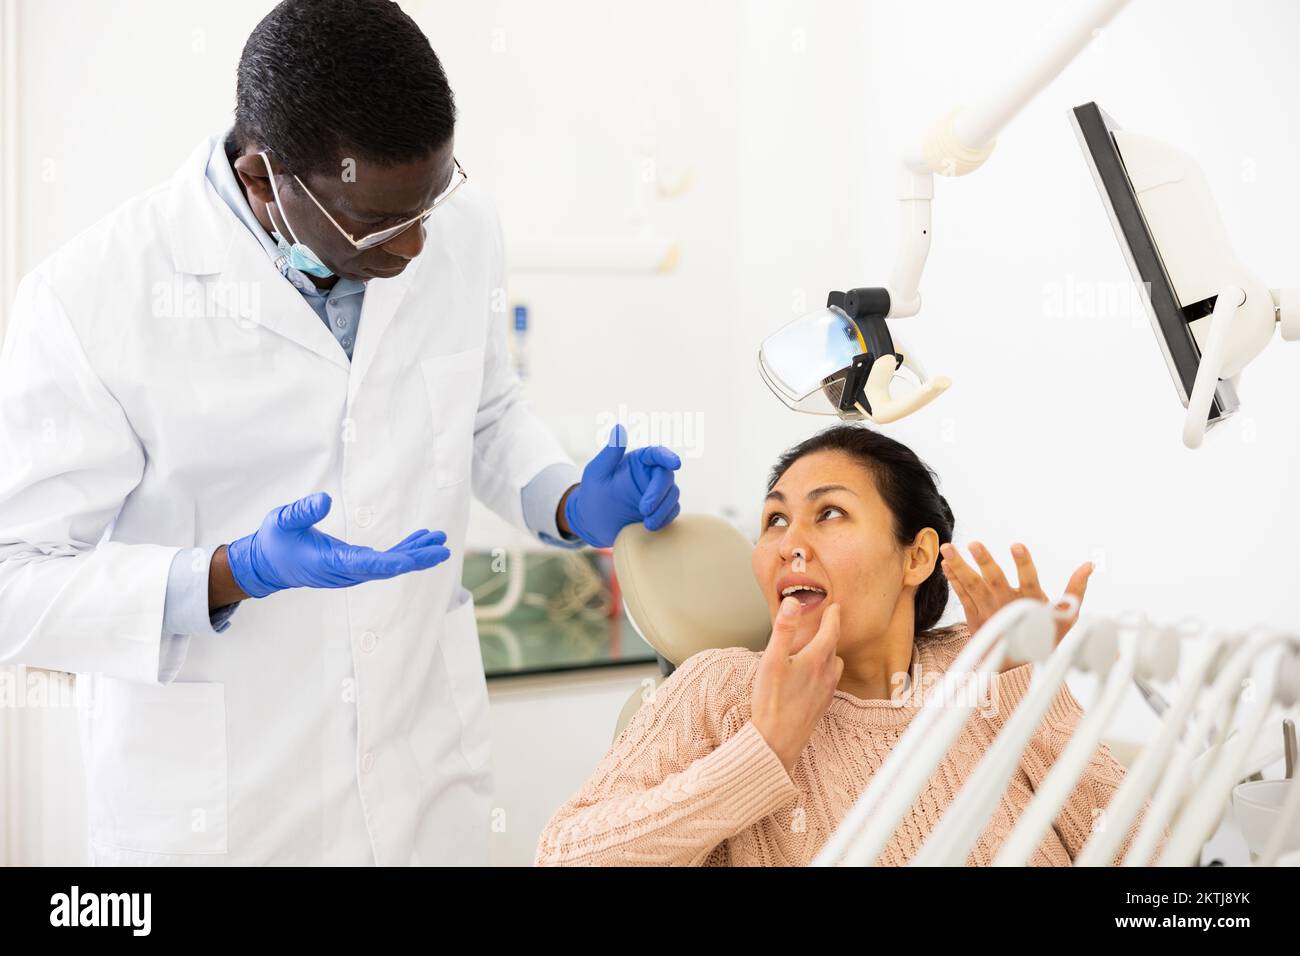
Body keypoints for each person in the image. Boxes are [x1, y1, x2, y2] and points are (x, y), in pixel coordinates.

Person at [0, 0, 680, 865]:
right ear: (265, 180)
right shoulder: (92, 296)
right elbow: (14, 581)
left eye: (432, 200)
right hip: (223, 810)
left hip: (423, 780)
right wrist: (227, 574)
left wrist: (573, 499)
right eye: (380, 226)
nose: (417, 246)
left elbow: (484, 413)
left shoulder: (459, 231)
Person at [534, 423, 1169, 866]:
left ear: (917, 556)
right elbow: (561, 858)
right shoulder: (723, 688)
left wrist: (1027, 684)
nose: (790, 544)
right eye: (775, 520)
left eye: (829, 513)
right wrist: (765, 749)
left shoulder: (983, 670)